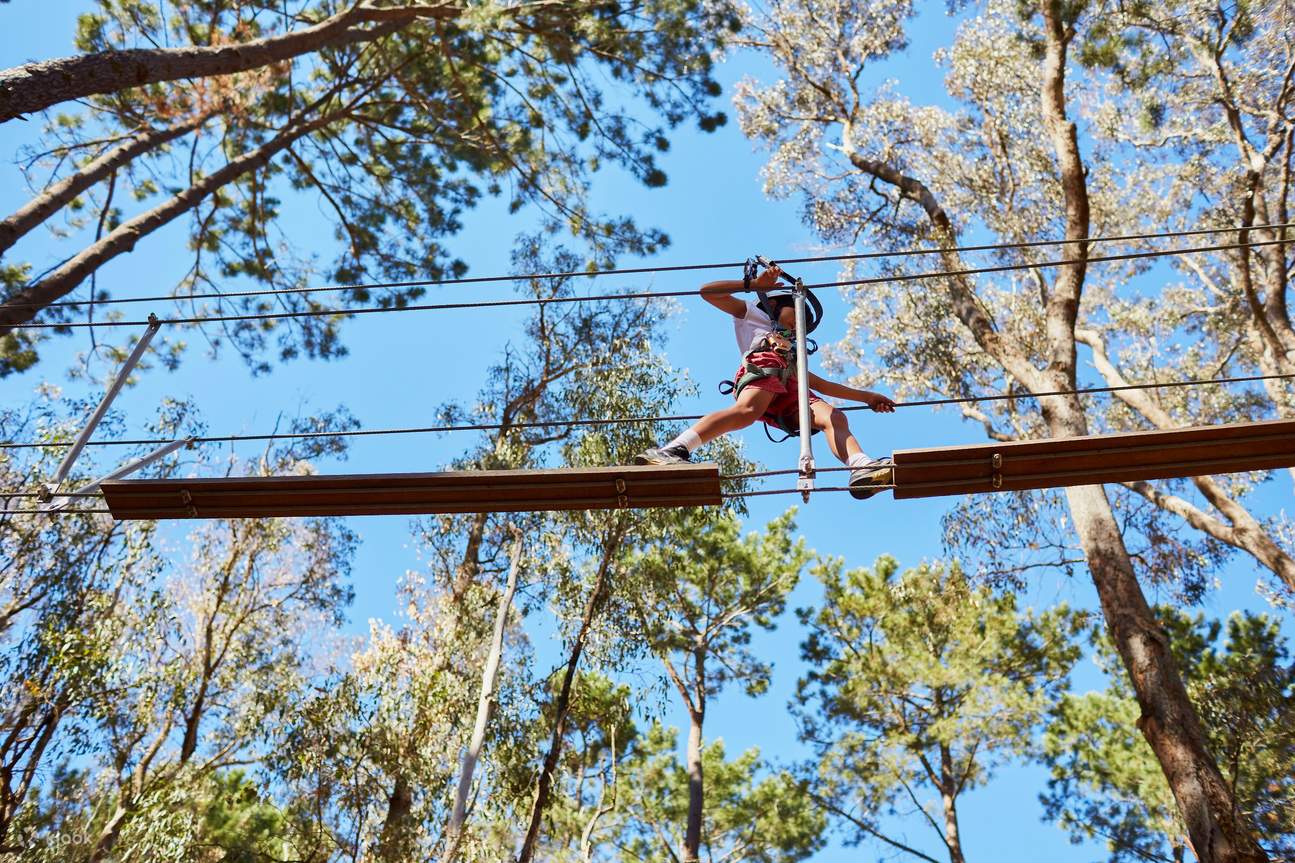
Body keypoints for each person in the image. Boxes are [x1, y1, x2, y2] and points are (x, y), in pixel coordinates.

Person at [634, 262, 897, 499]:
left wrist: (867, 397)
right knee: (746, 411)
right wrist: (754, 286)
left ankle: (861, 466)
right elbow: (707, 292)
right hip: (764, 367)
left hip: (788, 384)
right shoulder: (752, 313)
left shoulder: (791, 352)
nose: (797, 327)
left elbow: (819, 384)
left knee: (834, 417)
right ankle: (674, 449)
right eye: (796, 317)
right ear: (774, 305)